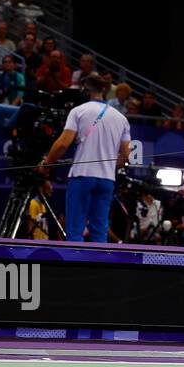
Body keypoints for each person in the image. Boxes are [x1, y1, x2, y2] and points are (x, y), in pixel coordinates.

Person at [40, 73, 131, 243]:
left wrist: (47, 163)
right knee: (99, 230)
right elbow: (126, 157)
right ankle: (99, 268)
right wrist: (109, 166)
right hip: (106, 181)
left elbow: (62, 144)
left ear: (85, 90)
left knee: (75, 229)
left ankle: (75, 268)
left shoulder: (78, 111)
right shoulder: (121, 118)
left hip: (82, 177)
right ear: (103, 91)